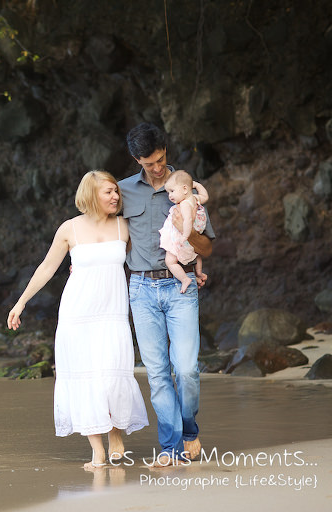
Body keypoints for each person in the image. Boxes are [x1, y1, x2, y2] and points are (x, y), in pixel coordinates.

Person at [7, 170, 149, 471]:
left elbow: (146, 259)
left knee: (112, 372)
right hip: (77, 315)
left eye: (116, 191)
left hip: (112, 315)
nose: (115, 196)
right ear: (90, 195)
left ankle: (116, 436)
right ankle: (97, 449)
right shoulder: (69, 229)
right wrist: (21, 303)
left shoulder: (124, 227)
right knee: (84, 377)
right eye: (108, 192)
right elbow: (47, 268)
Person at [119, 122, 215, 466]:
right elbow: (105, 231)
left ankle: (189, 429)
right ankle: (171, 447)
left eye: (160, 160)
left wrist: (185, 235)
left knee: (186, 369)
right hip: (141, 289)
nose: (157, 169)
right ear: (136, 159)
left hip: (181, 285)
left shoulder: (186, 187)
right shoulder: (123, 192)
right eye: (149, 164)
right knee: (158, 373)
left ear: (166, 150)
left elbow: (209, 245)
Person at [158, 170, 210, 293]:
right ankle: (199, 272)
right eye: (168, 192)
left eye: (172, 191)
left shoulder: (185, 205)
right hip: (194, 235)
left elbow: (187, 220)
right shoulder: (195, 198)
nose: (169, 196)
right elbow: (205, 196)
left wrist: (185, 235)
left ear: (185, 189)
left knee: (170, 261)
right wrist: (197, 186)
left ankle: (184, 279)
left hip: (183, 235)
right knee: (196, 254)